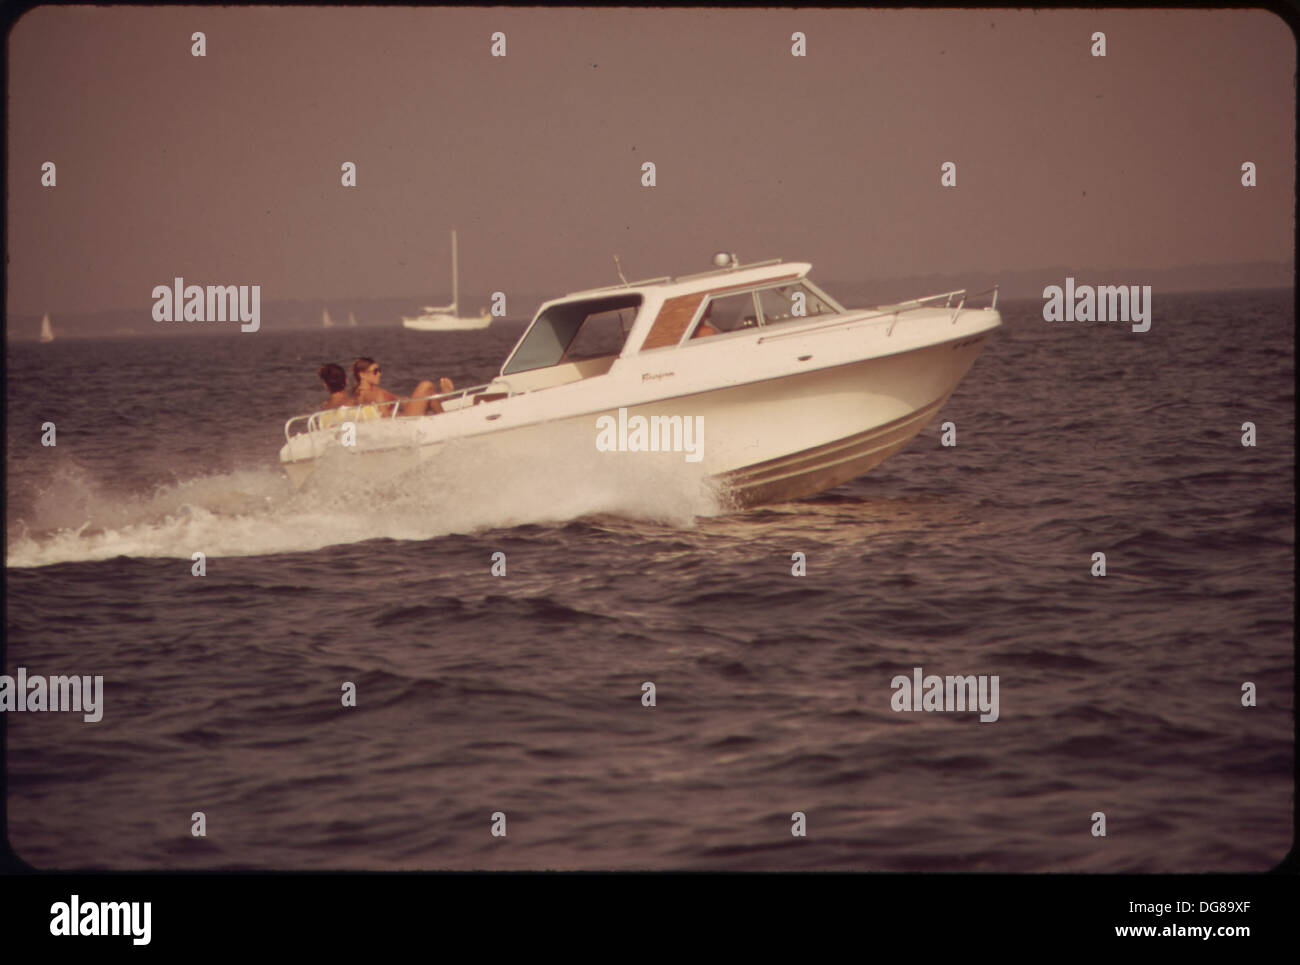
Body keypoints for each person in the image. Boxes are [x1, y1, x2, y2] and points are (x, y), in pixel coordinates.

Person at [352, 357, 454, 417]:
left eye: (379, 370)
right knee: (426, 386)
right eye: (375, 371)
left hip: (404, 414)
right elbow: (386, 419)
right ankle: (445, 417)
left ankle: (444, 400)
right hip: (404, 422)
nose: (379, 374)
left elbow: (404, 401)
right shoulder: (371, 393)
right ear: (362, 374)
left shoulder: (367, 391)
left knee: (427, 390)